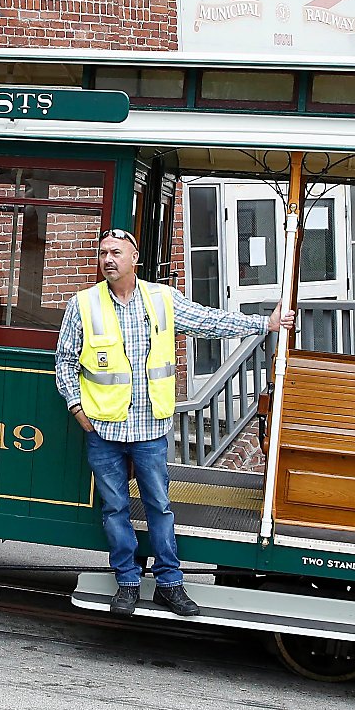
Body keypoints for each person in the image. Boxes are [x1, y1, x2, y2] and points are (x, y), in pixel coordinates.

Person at [55, 227, 294, 618]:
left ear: (135, 259)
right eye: (103, 253)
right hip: (104, 428)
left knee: (159, 507)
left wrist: (262, 325)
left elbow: (207, 321)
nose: (108, 259)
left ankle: (170, 583)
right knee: (114, 508)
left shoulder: (161, 299)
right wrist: (78, 410)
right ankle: (128, 583)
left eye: (116, 252)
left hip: (149, 428)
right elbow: (64, 362)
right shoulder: (83, 305)